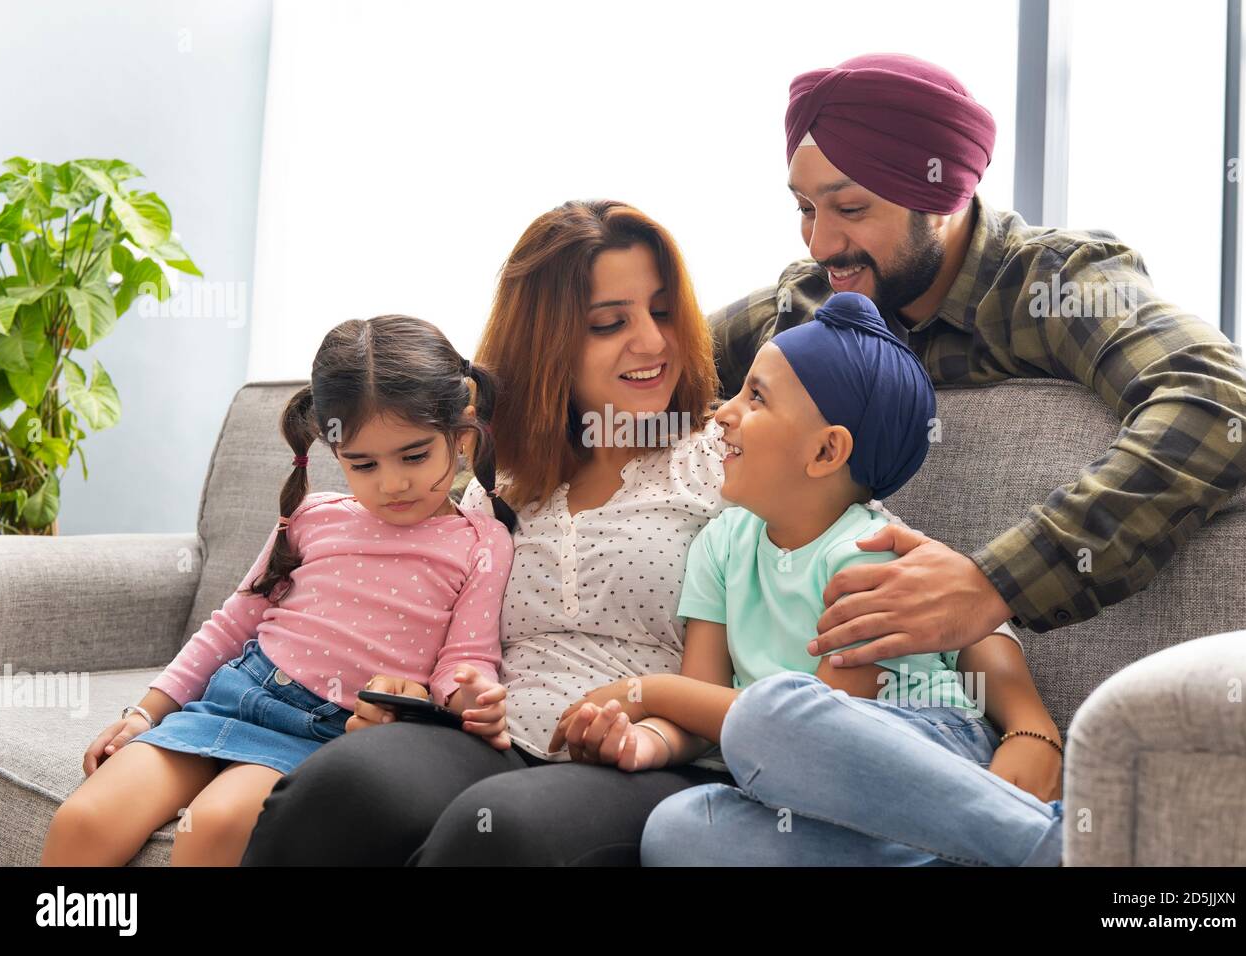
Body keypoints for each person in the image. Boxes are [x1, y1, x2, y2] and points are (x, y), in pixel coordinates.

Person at [240, 201, 1034, 867]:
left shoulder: (726, 461)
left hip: (652, 756)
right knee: (341, 786)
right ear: (547, 339)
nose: (651, 342)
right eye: (610, 322)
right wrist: (404, 693)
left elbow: (907, 576)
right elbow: (427, 626)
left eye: (660, 312)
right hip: (496, 732)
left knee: (498, 833)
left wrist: (1026, 718)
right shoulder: (490, 483)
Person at [712, 52, 1246, 673]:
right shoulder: (808, 299)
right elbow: (647, 361)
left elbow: (1216, 400)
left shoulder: (1053, 285)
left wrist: (991, 585)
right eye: (804, 208)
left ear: (940, 198)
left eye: (850, 209)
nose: (820, 244)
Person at [581, 292, 1061, 865]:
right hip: (806, 784)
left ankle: (1053, 846)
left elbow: (827, 717)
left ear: (827, 450)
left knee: (772, 713)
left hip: (923, 745)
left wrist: (648, 691)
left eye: (755, 397)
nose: (723, 412)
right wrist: (646, 739)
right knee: (680, 828)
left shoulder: (866, 551)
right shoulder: (719, 545)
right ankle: (981, 852)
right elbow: (706, 708)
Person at [41, 315, 514, 866]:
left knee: (214, 826)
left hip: (325, 733)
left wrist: (472, 698)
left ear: (461, 436)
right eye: (363, 464)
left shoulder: (481, 542)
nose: (392, 483)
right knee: (82, 822)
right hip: (232, 696)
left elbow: (464, 661)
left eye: (414, 456)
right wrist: (146, 713)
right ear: (335, 453)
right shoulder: (310, 518)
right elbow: (230, 626)